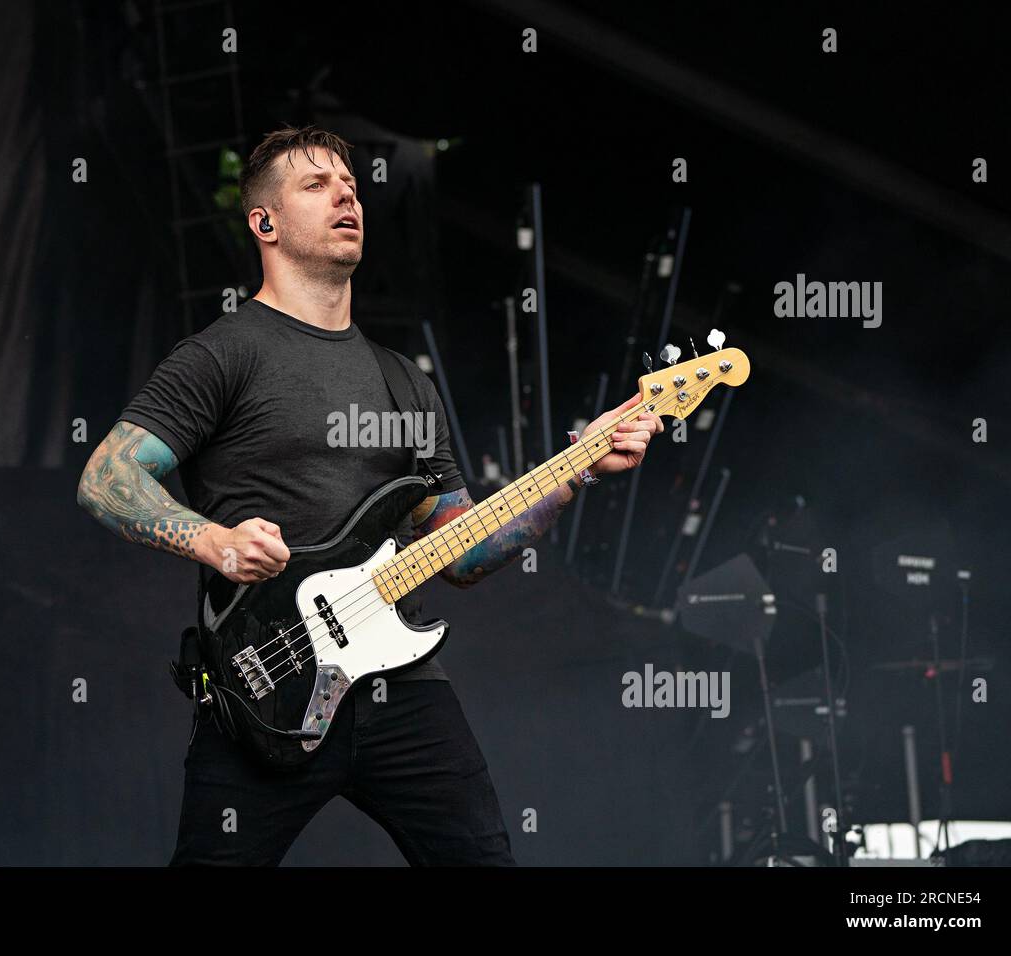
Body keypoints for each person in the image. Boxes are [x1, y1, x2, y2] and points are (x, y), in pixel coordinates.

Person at [76, 125, 663, 865]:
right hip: (264, 683)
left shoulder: (404, 382)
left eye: (350, 184)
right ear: (264, 223)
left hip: (398, 682)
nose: (345, 194)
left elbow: (464, 550)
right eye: (316, 185)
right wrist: (213, 542)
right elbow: (107, 477)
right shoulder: (222, 354)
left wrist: (576, 468)